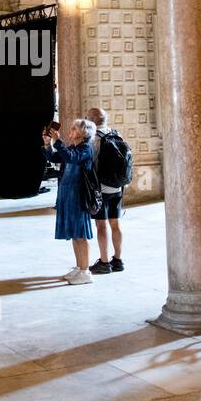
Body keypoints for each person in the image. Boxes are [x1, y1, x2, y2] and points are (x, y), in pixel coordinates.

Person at [42, 118, 98, 284]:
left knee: (81, 233)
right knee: (75, 234)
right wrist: (47, 144)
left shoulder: (86, 148)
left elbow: (72, 158)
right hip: (68, 194)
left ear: (83, 132)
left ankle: (86, 271)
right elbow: (55, 157)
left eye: (74, 129)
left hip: (79, 196)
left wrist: (58, 141)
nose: (70, 131)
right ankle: (79, 267)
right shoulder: (74, 147)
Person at [87, 107, 131, 275]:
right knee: (115, 223)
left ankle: (104, 262)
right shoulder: (117, 134)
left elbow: (91, 163)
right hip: (118, 187)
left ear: (91, 120)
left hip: (101, 188)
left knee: (101, 225)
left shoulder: (94, 139)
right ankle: (118, 260)